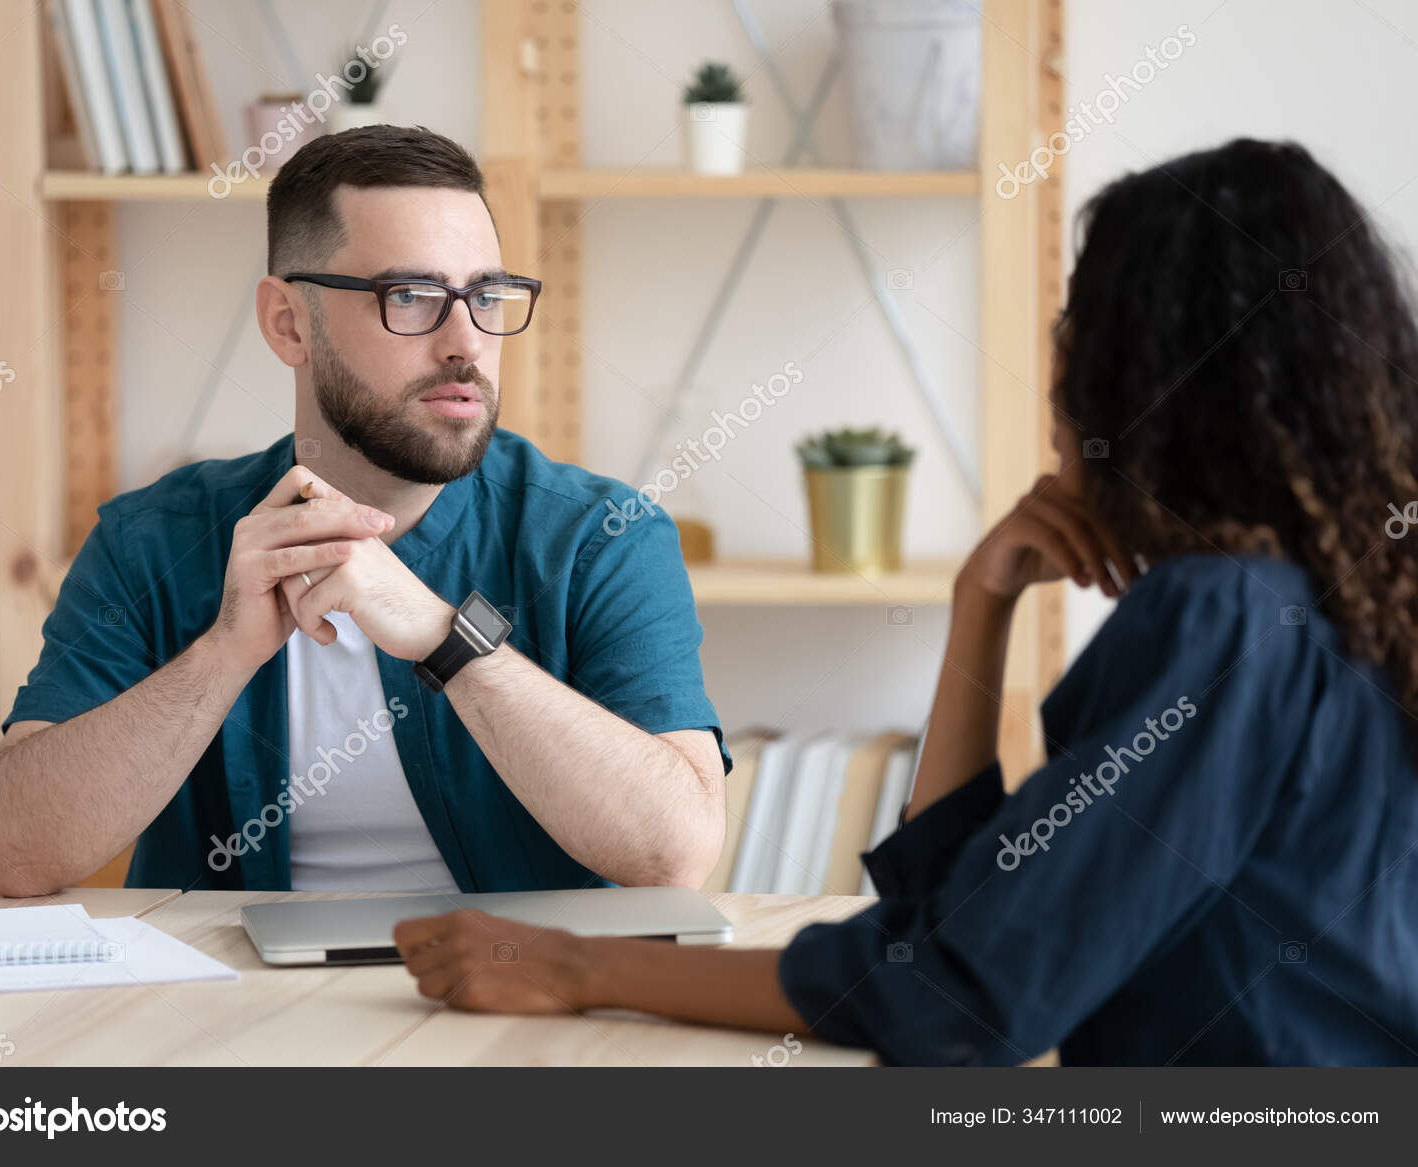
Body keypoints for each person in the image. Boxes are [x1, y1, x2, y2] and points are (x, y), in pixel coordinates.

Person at [393, 139, 1418, 1065]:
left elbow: (962, 1000)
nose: (1056, 360)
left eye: (1077, 325)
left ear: (1131, 373)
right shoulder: (1344, 603)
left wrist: (578, 970)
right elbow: (956, 913)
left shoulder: (1225, 619)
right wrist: (982, 602)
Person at [0, 126, 728, 897]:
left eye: (486, 296)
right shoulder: (151, 540)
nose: (465, 341)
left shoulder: (601, 537)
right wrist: (225, 654)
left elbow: (673, 853)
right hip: (224, 1007)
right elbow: (20, 852)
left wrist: (444, 637)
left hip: (509, 1001)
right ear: (288, 323)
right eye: (411, 296)